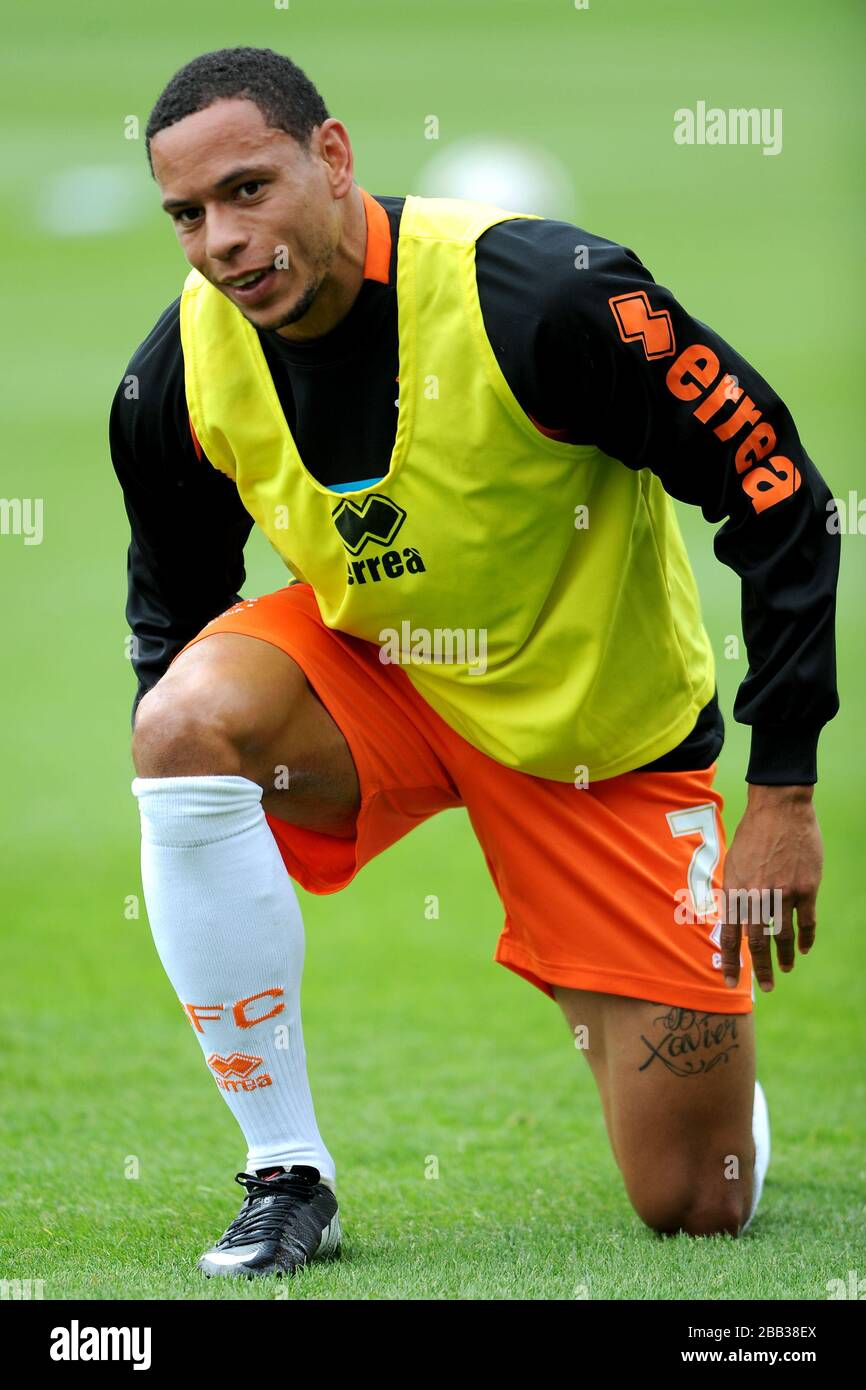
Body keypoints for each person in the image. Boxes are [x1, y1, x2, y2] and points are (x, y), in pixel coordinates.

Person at [110, 46, 839, 1279]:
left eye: (248, 190)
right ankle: (286, 1172)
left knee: (696, 1200)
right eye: (188, 214)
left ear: (331, 158)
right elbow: (171, 623)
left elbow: (776, 491)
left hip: (592, 742)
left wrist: (781, 794)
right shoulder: (174, 372)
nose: (221, 241)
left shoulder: (549, 295)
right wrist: (197, 799)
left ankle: (610, 981)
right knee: (180, 725)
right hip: (377, 680)